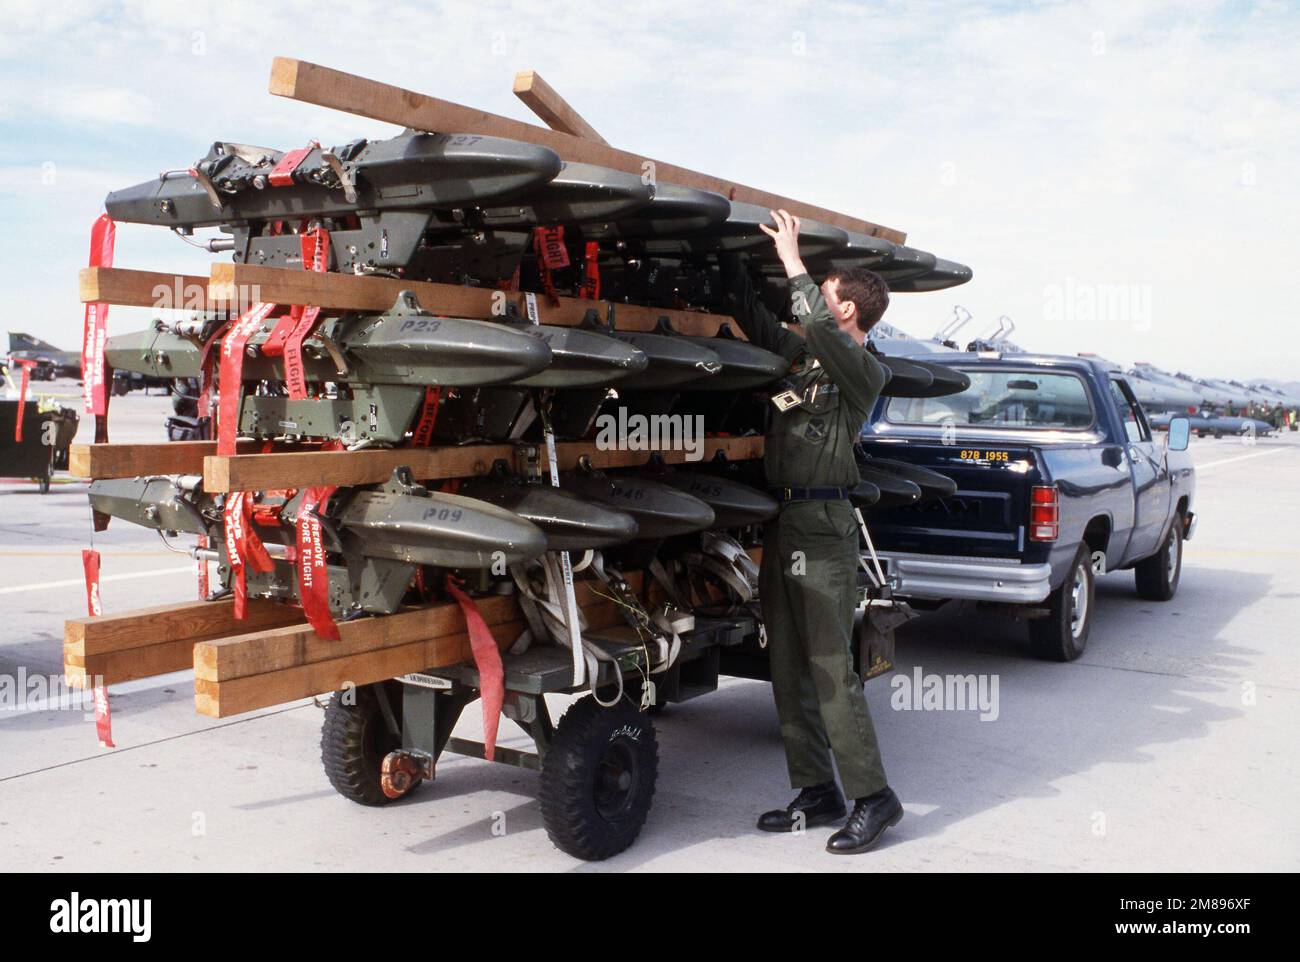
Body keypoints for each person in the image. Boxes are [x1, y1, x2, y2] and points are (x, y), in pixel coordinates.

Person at [718, 209, 902, 855]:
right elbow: (774, 326)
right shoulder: (808, 361)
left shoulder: (861, 370)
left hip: (825, 529)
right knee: (788, 662)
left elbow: (816, 326)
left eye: (826, 295)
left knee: (830, 669)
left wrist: (797, 261)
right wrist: (733, 265)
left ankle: (874, 798)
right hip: (786, 519)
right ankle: (816, 789)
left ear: (847, 309)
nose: (814, 303)